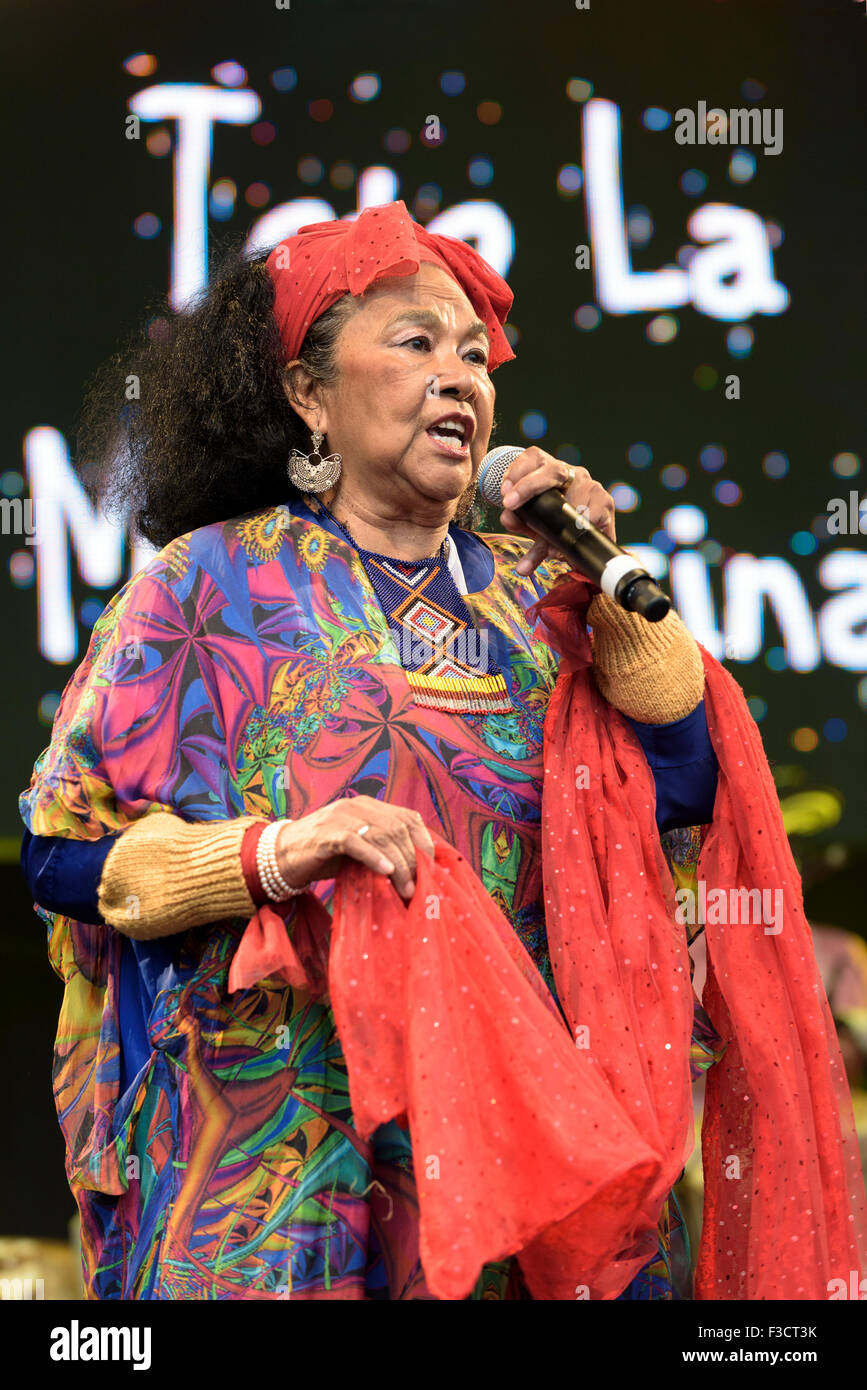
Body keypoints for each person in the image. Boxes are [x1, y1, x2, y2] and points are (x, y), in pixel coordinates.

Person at [17, 201, 825, 1301]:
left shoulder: (546, 597)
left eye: (474, 355)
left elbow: (681, 797)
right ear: (309, 396)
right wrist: (276, 852)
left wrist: (607, 581)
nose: (461, 377)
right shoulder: (205, 587)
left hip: (518, 1178)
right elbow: (64, 853)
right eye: (415, 344)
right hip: (273, 1170)